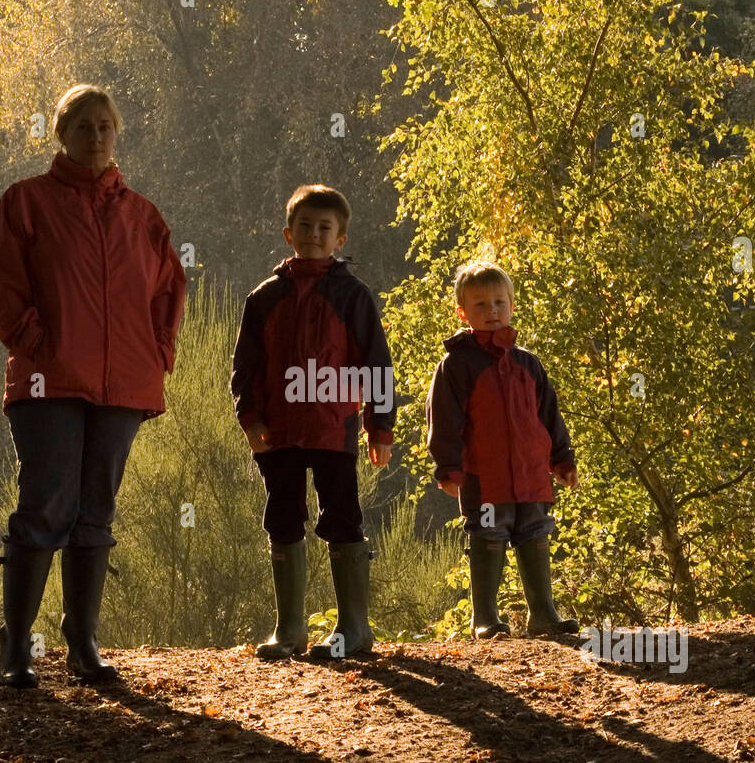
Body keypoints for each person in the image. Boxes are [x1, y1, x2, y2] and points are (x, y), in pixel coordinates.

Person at [0, 83, 186, 687]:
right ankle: (16, 645)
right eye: (83, 126)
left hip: (124, 383)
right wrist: (32, 340)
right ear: (61, 133)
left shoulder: (142, 215)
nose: (95, 137)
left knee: (96, 509)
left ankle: (82, 641)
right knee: (46, 505)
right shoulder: (26, 202)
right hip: (49, 378)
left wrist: (159, 352)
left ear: (115, 134)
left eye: (105, 127)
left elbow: (169, 289)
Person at [231, 184, 395, 660]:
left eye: (325, 228)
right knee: (282, 516)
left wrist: (378, 426)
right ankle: (289, 630)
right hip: (278, 432)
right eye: (304, 226)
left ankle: (354, 628)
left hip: (333, 429)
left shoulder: (353, 296)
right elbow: (245, 366)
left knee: (341, 516)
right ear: (288, 233)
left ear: (340, 238)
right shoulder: (263, 297)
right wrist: (250, 418)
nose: (313, 235)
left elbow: (376, 365)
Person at [426, 260, 580, 639]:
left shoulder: (528, 363)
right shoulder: (456, 364)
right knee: (488, 535)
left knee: (535, 533)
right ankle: (485, 619)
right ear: (462, 312)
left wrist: (562, 460)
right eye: (480, 305)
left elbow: (549, 416)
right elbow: (443, 420)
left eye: (499, 302)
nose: (491, 311)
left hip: (530, 475)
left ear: (512, 305)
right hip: (484, 477)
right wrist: (448, 468)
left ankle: (544, 615)